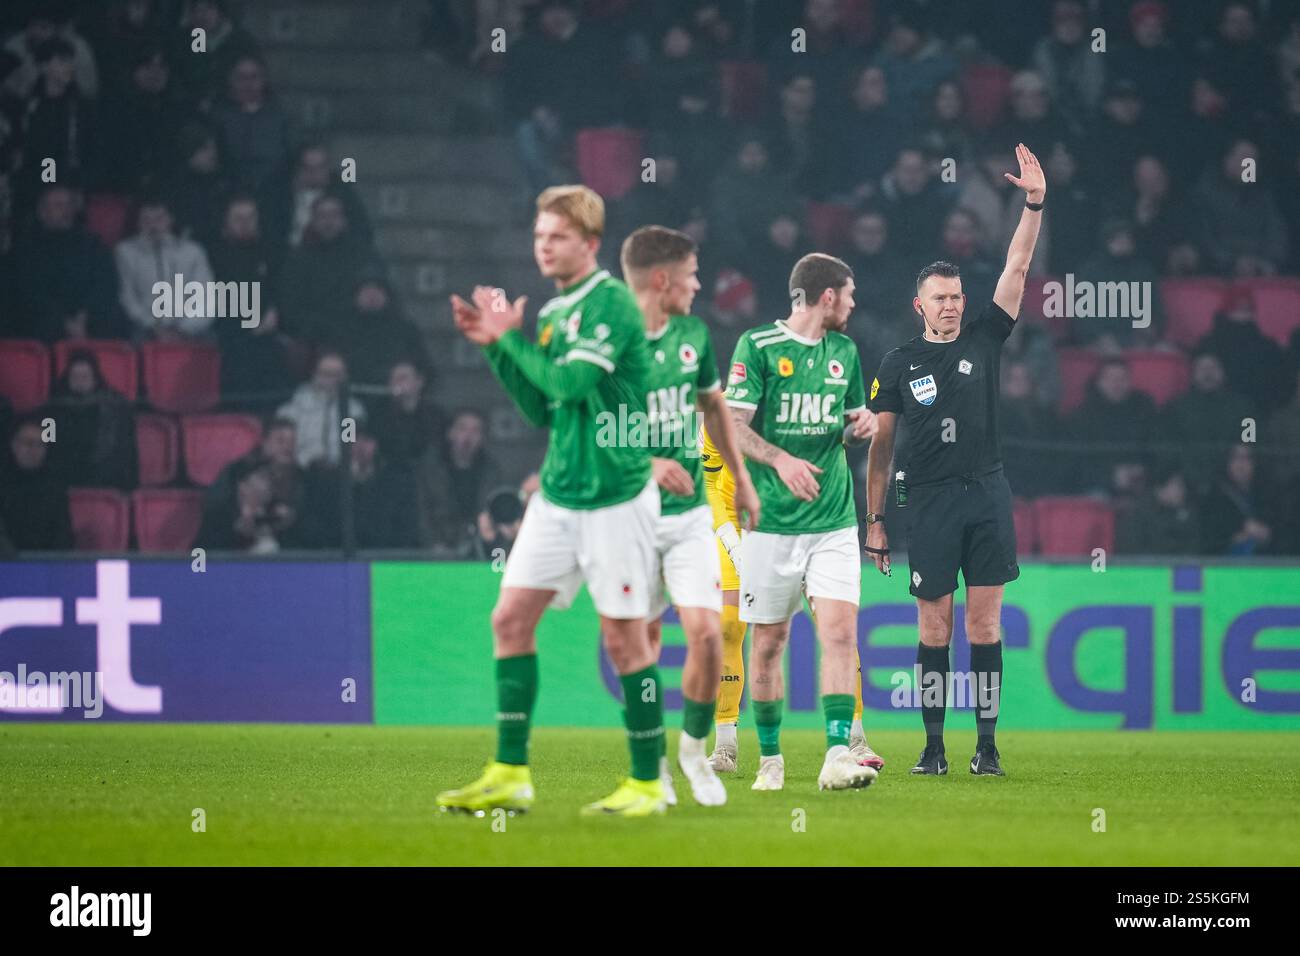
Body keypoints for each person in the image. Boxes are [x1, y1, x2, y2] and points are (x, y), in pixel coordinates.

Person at [439, 185, 667, 817]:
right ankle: (510, 772)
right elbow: (540, 405)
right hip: (560, 493)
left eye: (557, 236)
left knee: (626, 643)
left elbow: (570, 382)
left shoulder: (613, 305)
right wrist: (496, 348)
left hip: (615, 498)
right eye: (539, 235)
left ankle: (648, 782)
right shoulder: (551, 313)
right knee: (510, 620)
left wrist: (509, 342)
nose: (543, 245)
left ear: (590, 243)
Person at [865, 143, 1047, 778]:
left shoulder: (985, 339)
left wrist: (1032, 203)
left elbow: (1018, 267)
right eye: (939, 298)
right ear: (920, 306)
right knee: (934, 627)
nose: (950, 304)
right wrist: (876, 520)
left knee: (985, 622)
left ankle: (988, 746)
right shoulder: (898, 363)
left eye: (956, 296)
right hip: (931, 499)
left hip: (986, 493)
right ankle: (933, 747)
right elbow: (882, 449)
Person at [724, 252, 881, 793]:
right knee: (768, 643)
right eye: (850, 294)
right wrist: (781, 460)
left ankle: (837, 753)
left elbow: (847, 424)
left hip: (834, 518)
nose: (855, 304)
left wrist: (859, 425)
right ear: (828, 296)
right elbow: (734, 427)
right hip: (770, 524)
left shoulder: (846, 352)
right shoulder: (758, 347)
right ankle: (771, 760)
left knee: (839, 632)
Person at [621, 225, 759, 807]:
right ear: (662, 279)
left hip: (689, 518)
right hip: (629, 513)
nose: (700, 284)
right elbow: (586, 420)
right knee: (642, 642)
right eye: (692, 275)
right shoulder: (614, 342)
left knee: (707, 635)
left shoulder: (693, 337)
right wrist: (647, 460)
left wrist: (743, 479)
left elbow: (715, 409)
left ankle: (696, 751)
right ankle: (651, 766)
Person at [115, 196, 215, 339]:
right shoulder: (126, 252)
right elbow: (128, 298)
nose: (153, 226)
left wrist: (184, 329)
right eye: (146, 220)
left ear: (170, 220)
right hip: (147, 327)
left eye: (159, 219)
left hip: (188, 328)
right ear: (138, 222)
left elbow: (206, 300)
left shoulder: (193, 252)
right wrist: (153, 326)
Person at [43, 350, 138, 490]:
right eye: (75, 376)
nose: (80, 381)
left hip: (105, 479)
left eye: (85, 376)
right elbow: (47, 443)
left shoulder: (116, 407)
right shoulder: (52, 409)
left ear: (95, 378)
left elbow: (127, 450)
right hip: (63, 478)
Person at [0, 415, 72, 551]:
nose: (33, 450)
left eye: (40, 444)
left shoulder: (55, 490)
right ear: (14, 445)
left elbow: (63, 541)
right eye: (28, 443)